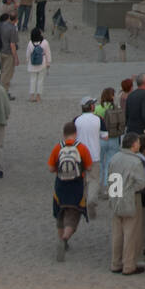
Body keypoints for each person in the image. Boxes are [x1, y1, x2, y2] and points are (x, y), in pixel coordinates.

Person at [48, 120, 93, 260]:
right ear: (76, 133)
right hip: (76, 185)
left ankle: (61, 239)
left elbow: (50, 168)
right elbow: (90, 167)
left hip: (60, 185)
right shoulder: (82, 148)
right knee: (73, 214)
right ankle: (65, 239)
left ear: (64, 133)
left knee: (60, 213)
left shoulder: (57, 148)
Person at [107, 132, 145, 275]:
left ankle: (115, 263)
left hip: (115, 196)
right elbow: (142, 183)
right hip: (130, 198)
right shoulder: (135, 161)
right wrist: (130, 190)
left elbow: (110, 177)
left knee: (117, 233)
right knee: (130, 233)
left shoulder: (115, 158)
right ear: (133, 144)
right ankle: (129, 265)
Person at [75, 97, 107, 219]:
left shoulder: (76, 120)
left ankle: (81, 204)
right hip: (94, 155)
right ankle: (91, 200)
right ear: (91, 107)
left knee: (81, 181)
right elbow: (105, 136)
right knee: (94, 180)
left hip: (79, 156)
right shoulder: (98, 119)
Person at [96, 87, 123, 180]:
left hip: (101, 138)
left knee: (100, 162)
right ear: (112, 96)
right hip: (113, 137)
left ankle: (99, 182)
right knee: (110, 162)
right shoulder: (116, 108)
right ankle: (107, 184)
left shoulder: (98, 108)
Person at [25, 27, 52, 102]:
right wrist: (48, 62)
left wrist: (27, 60)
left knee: (32, 79)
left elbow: (28, 53)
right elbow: (48, 53)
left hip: (32, 63)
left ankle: (31, 96)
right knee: (40, 80)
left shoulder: (30, 43)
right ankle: (38, 96)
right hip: (42, 63)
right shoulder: (45, 42)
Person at [0, 12, 18, 97]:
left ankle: (2, 91)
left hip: (2, 51)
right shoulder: (13, 29)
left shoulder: (3, 25)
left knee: (3, 72)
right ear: (16, 20)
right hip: (9, 53)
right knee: (7, 74)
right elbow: (12, 45)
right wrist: (16, 57)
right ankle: (4, 93)